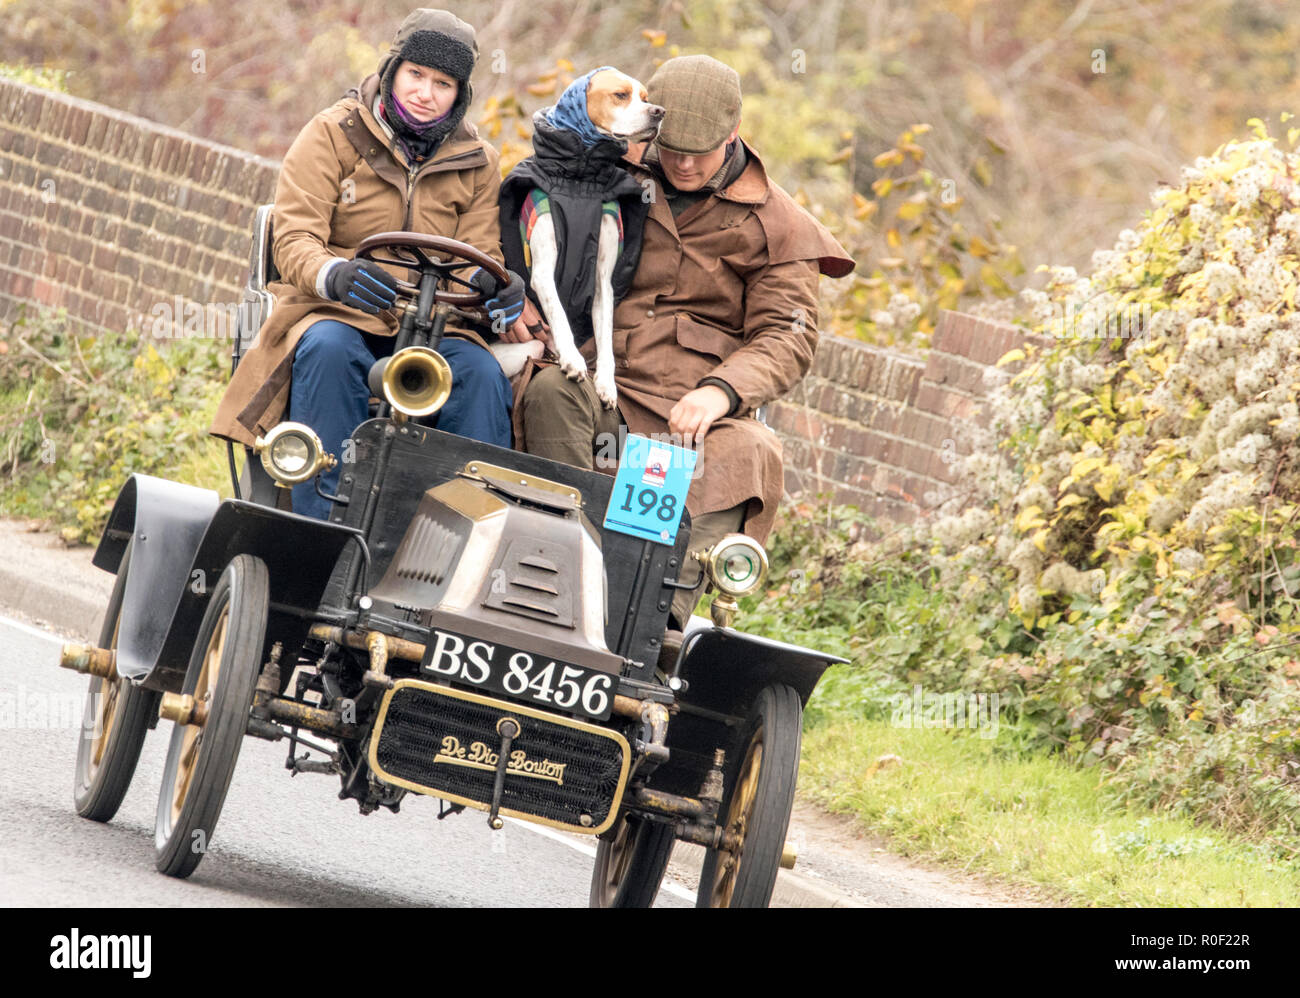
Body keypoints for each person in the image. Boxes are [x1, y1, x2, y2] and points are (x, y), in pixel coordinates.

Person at [513, 54, 855, 626]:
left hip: (691, 413)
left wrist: (722, 392)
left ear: (734, 135)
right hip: (606, 388)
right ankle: (550, 577)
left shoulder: (779, 223)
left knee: (750, 453)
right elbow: (534, 217)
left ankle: (653, 621)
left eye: (700, 152)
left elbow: (787, 335)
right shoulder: (609, 171)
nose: (683, 164)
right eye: (670, 150)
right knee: (548, 394)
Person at [210, 8, 526, 518]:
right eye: (416, 75)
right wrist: (334, 275)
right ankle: (322, 520)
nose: (425, 93)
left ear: (460, 93)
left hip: (435, 325)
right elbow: (294, 238)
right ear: (392, 71)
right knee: (331, 352)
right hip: (334, 313)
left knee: (482, 376)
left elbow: (479, 253)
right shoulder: (332, 133)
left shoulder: (479, 160)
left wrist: (491, 284)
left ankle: (463, 533)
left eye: (443, 83)